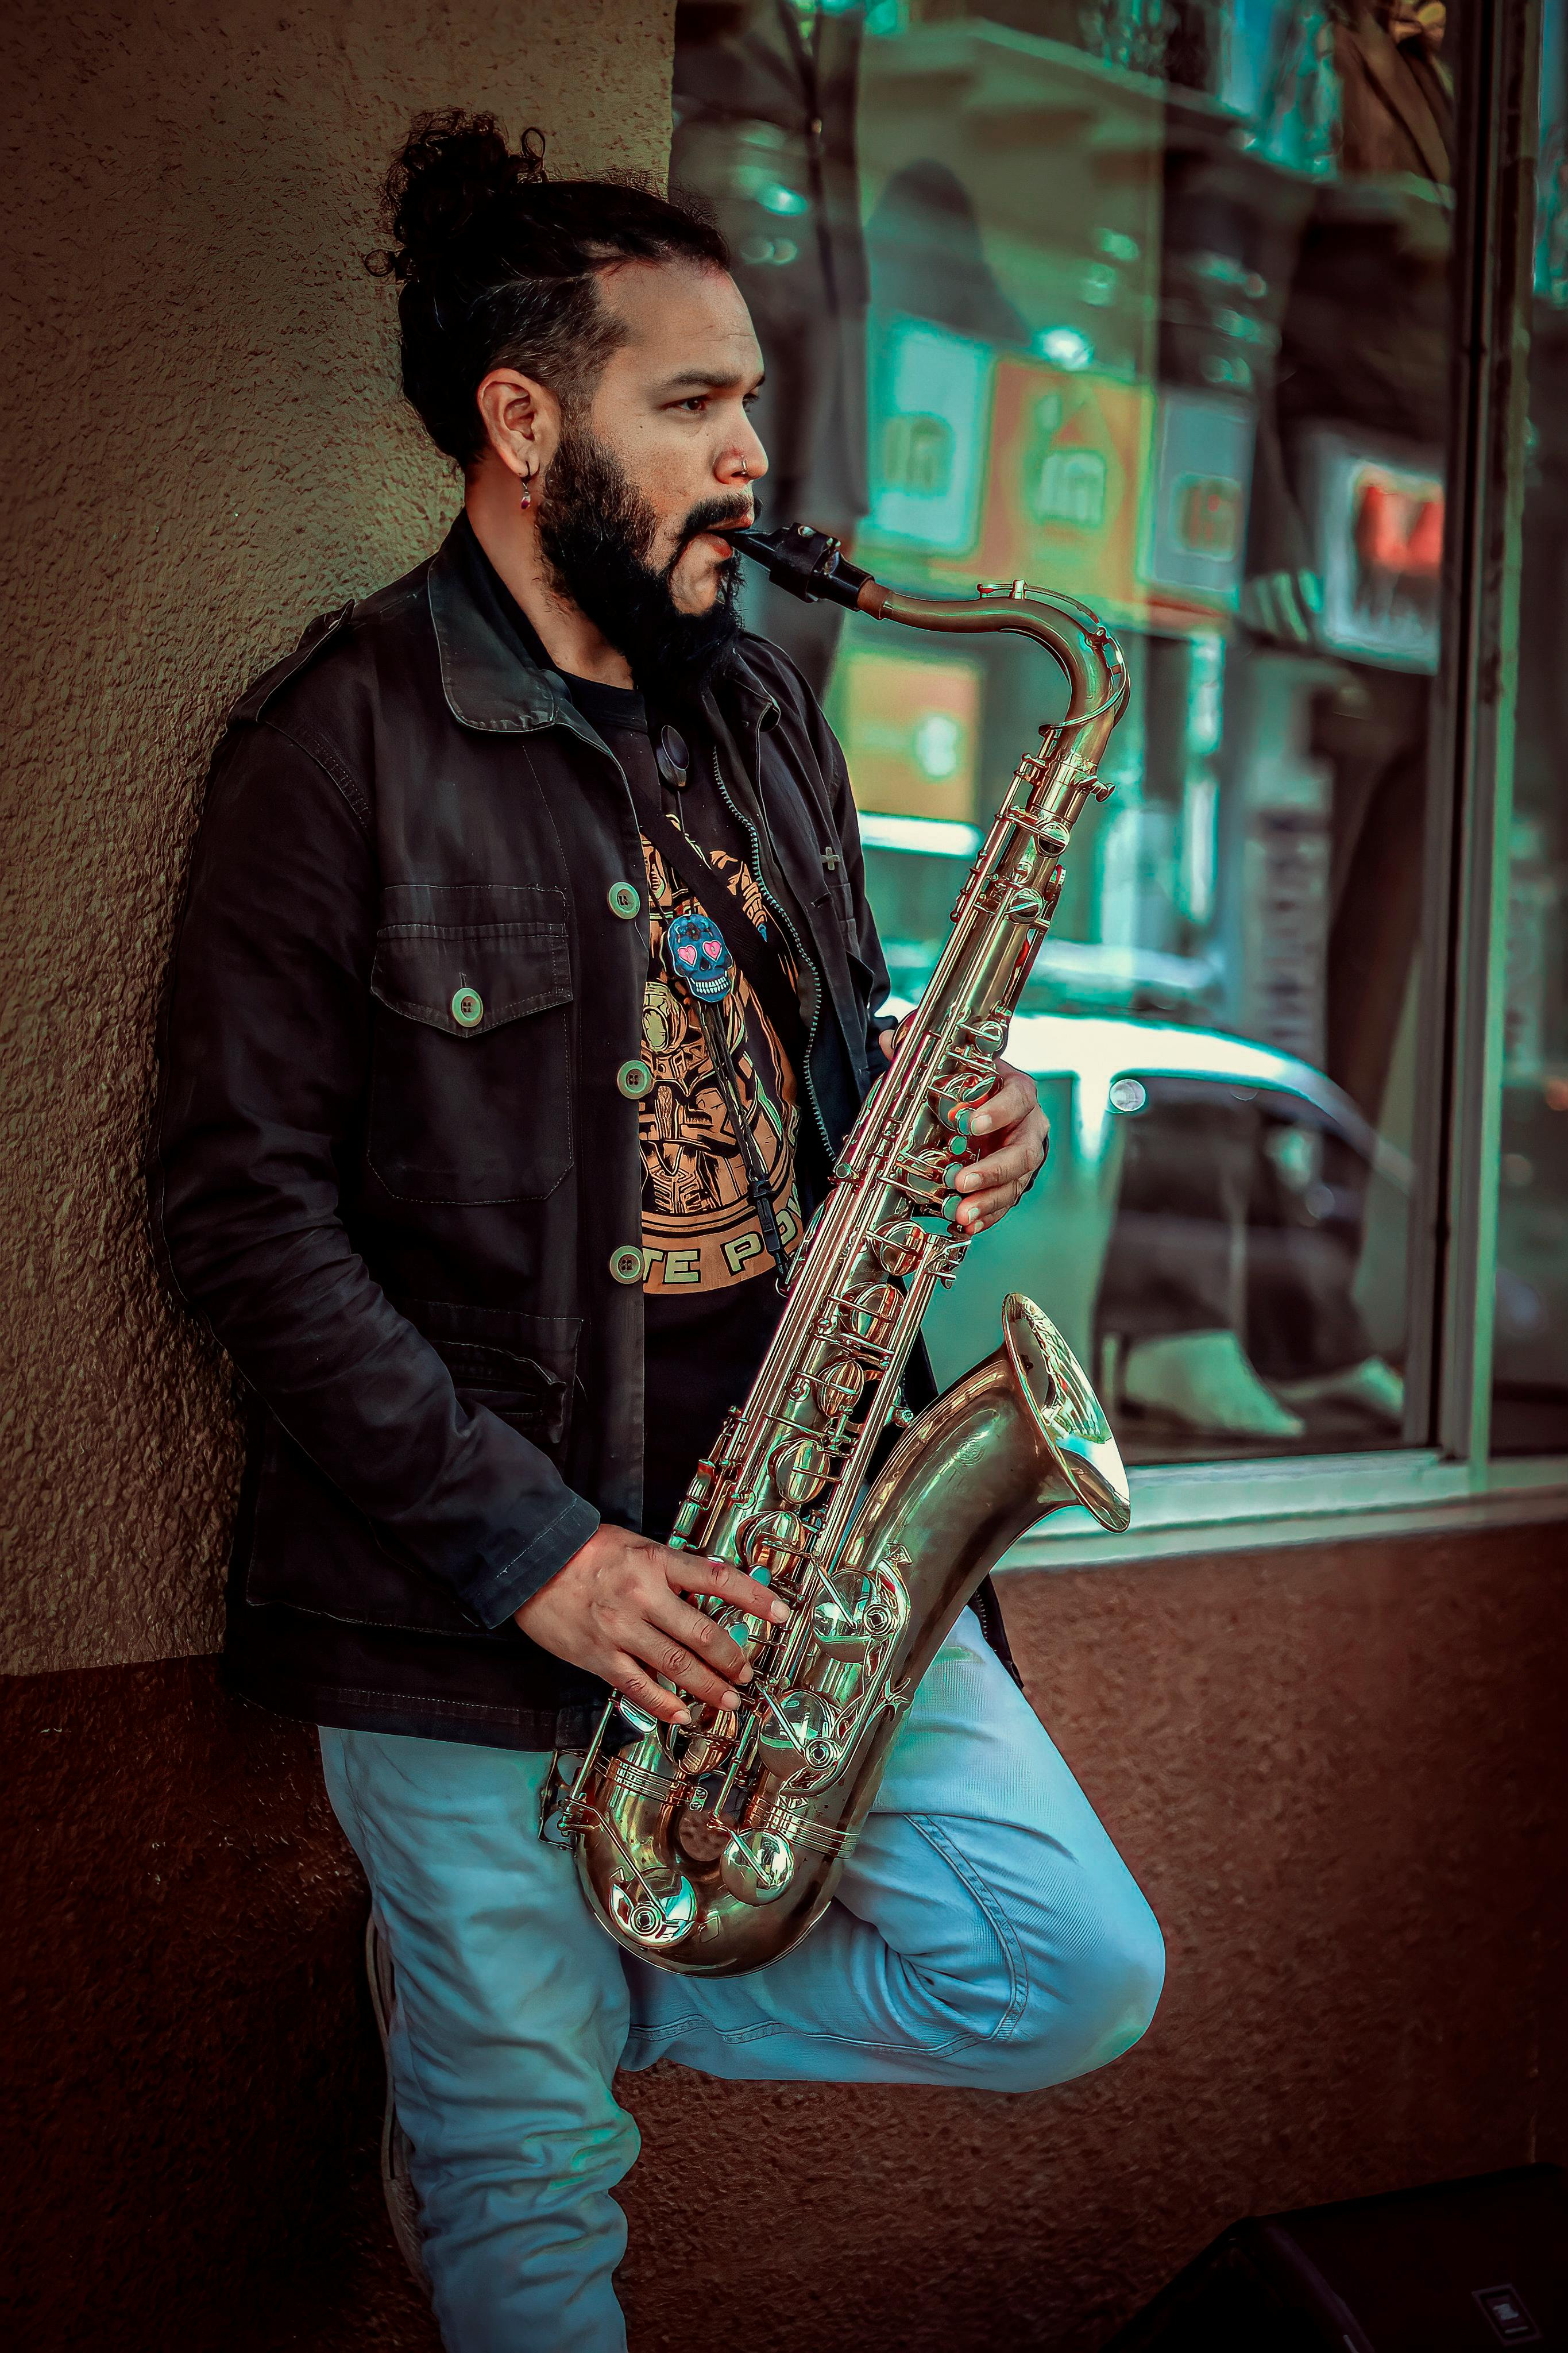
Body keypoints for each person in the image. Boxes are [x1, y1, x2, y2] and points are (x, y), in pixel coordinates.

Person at [150, 113, 1164, 2352]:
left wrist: (934, 1120)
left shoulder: (756, 710)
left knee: (1066, 1971)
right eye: (688, 402)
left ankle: (520, 2035)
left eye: (752, 403)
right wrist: (544, 1557)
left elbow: (831, 1049)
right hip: (462, 1587)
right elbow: (235, 1212)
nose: (747, 452)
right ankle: (501, 2089)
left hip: (791, 1537)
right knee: (531, 2227)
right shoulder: (333, 749)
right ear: (522, 425)